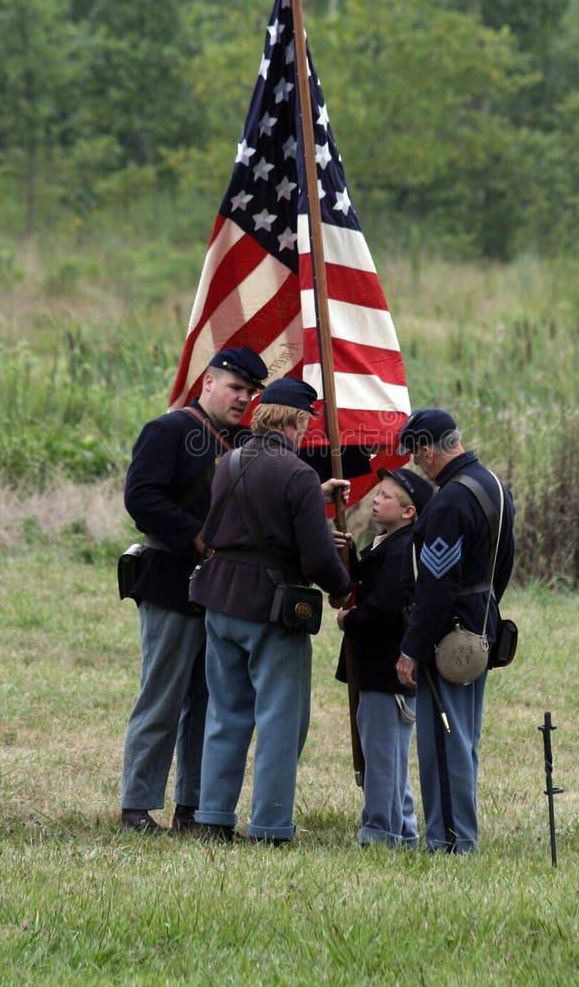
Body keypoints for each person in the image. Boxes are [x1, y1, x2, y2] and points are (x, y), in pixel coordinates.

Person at [190, 377, 352, 845]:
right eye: (307, 423)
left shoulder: (230, 462)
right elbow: (319, 556)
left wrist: (311, 496)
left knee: (225, 715)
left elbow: (246, 513)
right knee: (281, 722)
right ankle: (270, 827)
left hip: (220, 600)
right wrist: (341, 591)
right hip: (271, 606)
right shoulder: (297, 474)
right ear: (298, 420)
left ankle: (214, 818)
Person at [120, 346, 268, 833]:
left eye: (250, 392)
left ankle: (193, 807)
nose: (243, 398)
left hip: (223, 588)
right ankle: (137, 806)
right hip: (171, 580)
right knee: (162, 698)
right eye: (235, 387)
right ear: (208, 382)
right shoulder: (168, 431)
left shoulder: (247, 441)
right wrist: (195, 536)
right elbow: (141, 497)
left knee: (211, 702)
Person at [394, 408, 515, 854]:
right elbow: (501, 569)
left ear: (428, 449)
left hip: (449, 636)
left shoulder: (449, 501)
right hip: (481, 626)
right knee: (463, 737)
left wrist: (413, 648)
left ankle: (450, 842)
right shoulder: (494, 486)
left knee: (443, 744)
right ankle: (458, 835)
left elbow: (437, 585)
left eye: (414, 454)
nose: (414, 464)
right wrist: (482, 612)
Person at [335, 466, 434, 848]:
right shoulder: (386, 543)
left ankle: (380, 833)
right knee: (388, 752)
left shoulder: (402, 548)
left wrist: (350, 618)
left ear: (408, 512)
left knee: (382, 755)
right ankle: (403, 829)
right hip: (380, 667)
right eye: (377, 494)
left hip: (385, 666)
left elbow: (385, 607)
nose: (375, 500)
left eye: (386, 496)